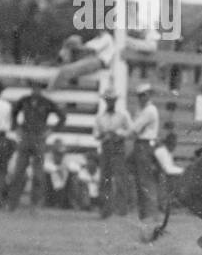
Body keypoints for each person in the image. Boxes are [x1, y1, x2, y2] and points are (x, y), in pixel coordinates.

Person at [7, 78, 68, 212]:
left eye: (38, 88)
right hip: (25, 137)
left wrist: (50, 131)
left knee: (38, 173)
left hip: (39, 138)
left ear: (41, 89)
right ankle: (13, 203)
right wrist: (16, 128)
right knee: (19, 171)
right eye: (34, 88)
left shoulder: (46, 103)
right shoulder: (24, 100)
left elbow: (62, 116)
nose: (36, 90)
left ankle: (35, 204)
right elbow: (13, 113)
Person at [94, 90, 132, 218]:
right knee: (105, 178)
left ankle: (121, 210)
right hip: (106, 147)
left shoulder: (122, 115)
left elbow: (130, 130)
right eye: (108, 100)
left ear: (116, 101)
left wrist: (119, 134)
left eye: (112, 100)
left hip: (118, 148)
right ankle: (105, 209)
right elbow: (95, 134)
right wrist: (103, 135)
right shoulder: (100, 117)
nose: (110, 102)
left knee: (120, 178)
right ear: (105, 101)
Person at [129, 83, 162, 223]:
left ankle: (151, 214)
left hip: (145, 145)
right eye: (140, 95)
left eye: (144, 95)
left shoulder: (149, 110)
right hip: (140, 144)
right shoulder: (141, 110)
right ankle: (145, 214)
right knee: (141, 180)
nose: (142, 98)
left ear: (149, 95)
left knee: (146, 180)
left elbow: (134, 128)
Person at [52, 25, 120, 90]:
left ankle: (53, 90)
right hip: (91, 60)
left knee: (66, 70)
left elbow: (91, 49)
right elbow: (86, 47)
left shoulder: (107, 37)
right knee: (67, 69)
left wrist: (75, 45)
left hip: (98, 62)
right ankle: (59, 88)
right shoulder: (96, 39)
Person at [42, 138, 77, 209]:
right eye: (56, 153)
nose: (59, 155)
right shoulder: (49, 156)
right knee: (45, 175)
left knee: (72, 176)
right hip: (52, 181)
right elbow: (45, 166)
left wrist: (63, 168)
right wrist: (57, 169)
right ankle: (49, 201)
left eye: (60, 154)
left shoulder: (66, 157)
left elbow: (75, 167)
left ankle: (68, 202)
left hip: (64, 181)